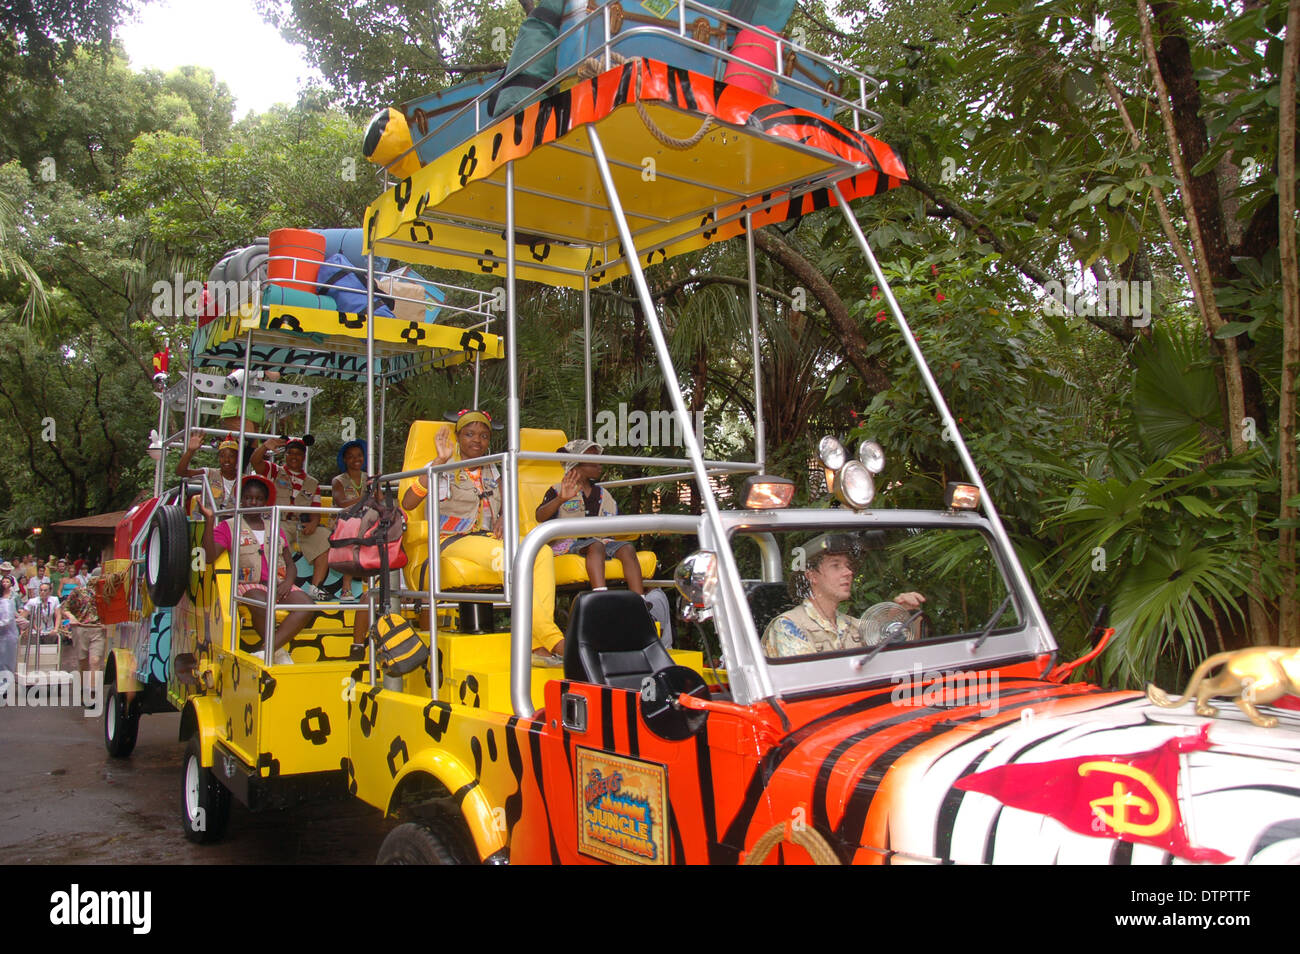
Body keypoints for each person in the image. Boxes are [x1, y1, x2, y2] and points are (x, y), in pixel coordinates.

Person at [400, 409, 566, 663]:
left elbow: (507, 501)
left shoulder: (493, 468)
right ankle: (556, 640)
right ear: (458, 437)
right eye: (469, 434)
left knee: (539, 551)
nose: (477, 440)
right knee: (509, 557)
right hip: (452, 540)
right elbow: (408, 502)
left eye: (483, 436)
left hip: (487, 538)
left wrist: (503, 517)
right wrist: (437, 463)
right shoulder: (442, 464)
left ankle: (535, 646)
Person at [200, 474, 316, 665]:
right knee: (263, 604)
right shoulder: (229, 526)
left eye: (258, 499)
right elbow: (210, 556)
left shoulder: (275, 527)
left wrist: (288, 582)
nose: (253, 502)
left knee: (306, 605)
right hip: (248, 584)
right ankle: (277, 652)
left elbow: (290, 564)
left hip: (278, 582)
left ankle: (266, 651)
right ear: (242, 500)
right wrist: (210, 522)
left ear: (265, 501)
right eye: (248, 498)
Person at [762, 534, 925, 658]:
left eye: (848, 566)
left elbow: (903, 656)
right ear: (811, 575)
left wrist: (906, 614)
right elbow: (808, 686)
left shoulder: (853, 626)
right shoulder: (788, 627)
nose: (848, 572)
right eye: (836, 566)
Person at [535, 440, 645, 596]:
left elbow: (619, 522)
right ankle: (601, 596)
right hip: (569, 544)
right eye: (593, 459)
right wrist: (561, 499)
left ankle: (640, 601)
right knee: (595, 546)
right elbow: (540, 516)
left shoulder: (603, 494)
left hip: (600, 541)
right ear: (575, 463)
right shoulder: (558, 490)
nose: (599, 463)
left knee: (627, 548)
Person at [251, 435, 330, 601]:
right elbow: (255, 461)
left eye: (299, 454)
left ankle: (315, 587)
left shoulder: (312, 482)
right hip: (277, 522)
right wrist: (265, 447)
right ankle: (277, 586)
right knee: (278, 538)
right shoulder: (274, 471)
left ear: (304, 457)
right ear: (285, 455)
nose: (294, 457)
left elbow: (316, 510)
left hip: (300, 525)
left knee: (325, 538)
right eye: (291, 453)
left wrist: (314, 524)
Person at [330, 439, 368, 603]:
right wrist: (365, 498)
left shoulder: (369, 477)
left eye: (359, 456)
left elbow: (379, 499)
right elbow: (341, 503)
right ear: (345, 459)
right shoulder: (338, 480)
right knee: (352, 537)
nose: (356, 459)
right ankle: (346, 588)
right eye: (351, 457)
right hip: (342, 522)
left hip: (365, 521)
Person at [61, 572, 104, 701]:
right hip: (81, 629)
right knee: (83, 662)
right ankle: (82, 689)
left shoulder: (108, 593)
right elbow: (65, 608)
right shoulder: (78, 591)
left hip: (98, 630)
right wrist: (71, 618)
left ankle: (92, 692)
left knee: (95, 661)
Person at [177, 431, 241, 511]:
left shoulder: (244, 479)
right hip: (208, 520)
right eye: (222, 456)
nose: (226, 460)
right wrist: (191, 450)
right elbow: (181, 472)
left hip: (232, 521)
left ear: (238, 458)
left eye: (231, 456)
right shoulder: (209, 473)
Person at [21, 582, 62, 670]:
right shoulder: (33, 601)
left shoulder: (54, 600)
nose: (42, 592)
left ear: (50, 591)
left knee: (49, 653)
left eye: (45, 590)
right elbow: (23, 617)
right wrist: (30, 626)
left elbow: (58, 615)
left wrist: (56, 629)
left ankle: (49, 670)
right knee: (35, 653)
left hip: (49, 631)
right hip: (36, 632)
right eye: (41, 590)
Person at [0, 577, 19, 692]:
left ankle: (3, 691)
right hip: (2, 637)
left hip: (7, 638)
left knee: (5, 664)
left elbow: (6, 621)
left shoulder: (7, 603)